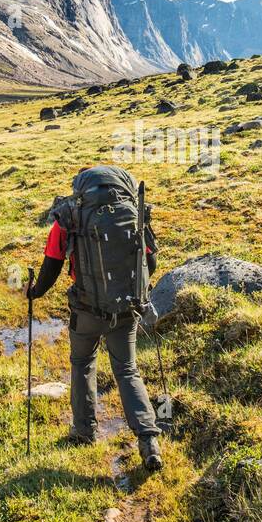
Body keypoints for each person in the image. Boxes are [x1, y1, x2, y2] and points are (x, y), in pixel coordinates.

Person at [27, 166, 164, 472]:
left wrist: (35, 292)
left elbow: (52, 264)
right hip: (126, 309)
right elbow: (150, 262)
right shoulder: (134, 211)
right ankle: (148, 440)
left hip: (86, 308)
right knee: (127, 370)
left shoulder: (69, 216)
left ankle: (84, 430)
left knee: (82, 362)